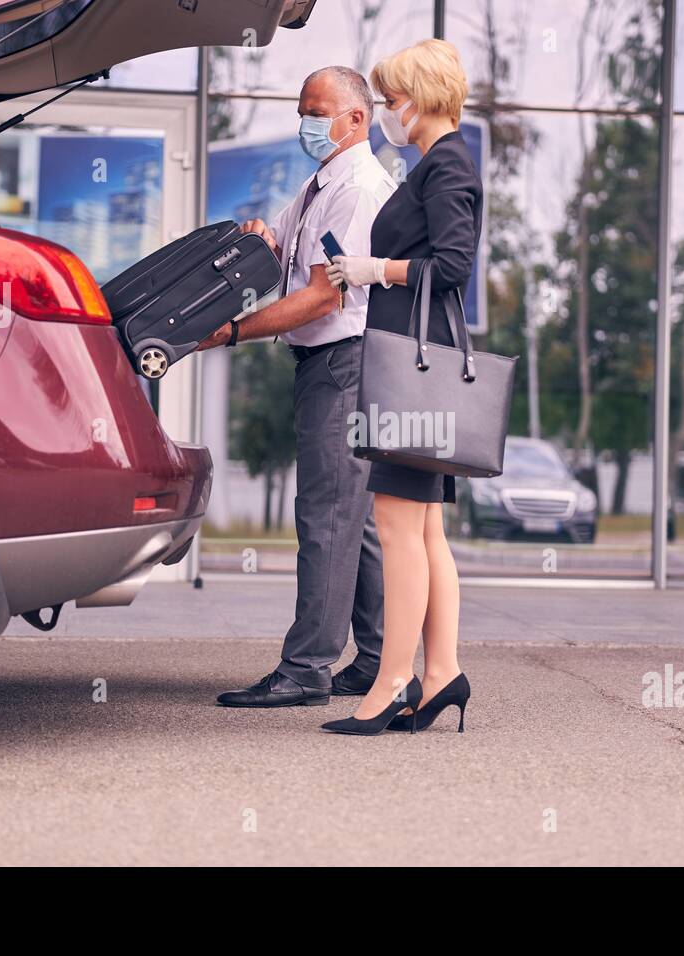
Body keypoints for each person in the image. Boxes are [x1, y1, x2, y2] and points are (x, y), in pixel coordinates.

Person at [200, 66, 396, 708]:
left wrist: (231, 331)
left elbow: (319, 299)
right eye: (302, 111)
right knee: (356, 520)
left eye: (317, 112)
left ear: (356, 119)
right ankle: (373, 660)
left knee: (328, 515)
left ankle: (308, 666)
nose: (306, 124)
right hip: (328, 363)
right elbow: (279, 240)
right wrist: (260, 235)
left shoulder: (361, 188)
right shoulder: (321, 183)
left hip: (347, 360)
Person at [320, 39, 480, 735]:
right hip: (421, 366)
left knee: (396, 524)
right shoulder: (438, 163)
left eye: (390, 99)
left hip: (411, 372)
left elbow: (452, 265)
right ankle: (441, 673)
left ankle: (390, 683)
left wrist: (373, 269)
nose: (388, 110)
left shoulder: (444, 166)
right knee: (425, 528)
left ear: (419, 97)